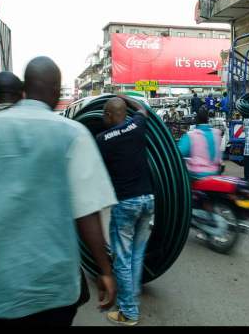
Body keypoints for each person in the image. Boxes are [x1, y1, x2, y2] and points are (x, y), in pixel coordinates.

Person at [0, 56, 117, 325]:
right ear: (56, 91)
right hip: (51, 287)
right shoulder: (73, 134)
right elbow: (87, 211)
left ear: (24, 91)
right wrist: (105, 270)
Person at [96, 95, 155, 326]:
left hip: (126, 203)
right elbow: (142, 109)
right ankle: (132, 297)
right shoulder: (137, 124)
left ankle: (129, 312)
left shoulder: (102, 139)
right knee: (137, 253)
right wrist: (124, 97)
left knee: (122, 259)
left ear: (110, 115)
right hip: (148, 200)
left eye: (104, 113)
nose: (102, 117)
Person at [178, 107, 222, 179]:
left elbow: (180, 153)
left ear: (196, 120)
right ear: (208, 119)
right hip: (216, 173)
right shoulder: (216, 133)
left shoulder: (191, 135)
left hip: (197, 175)